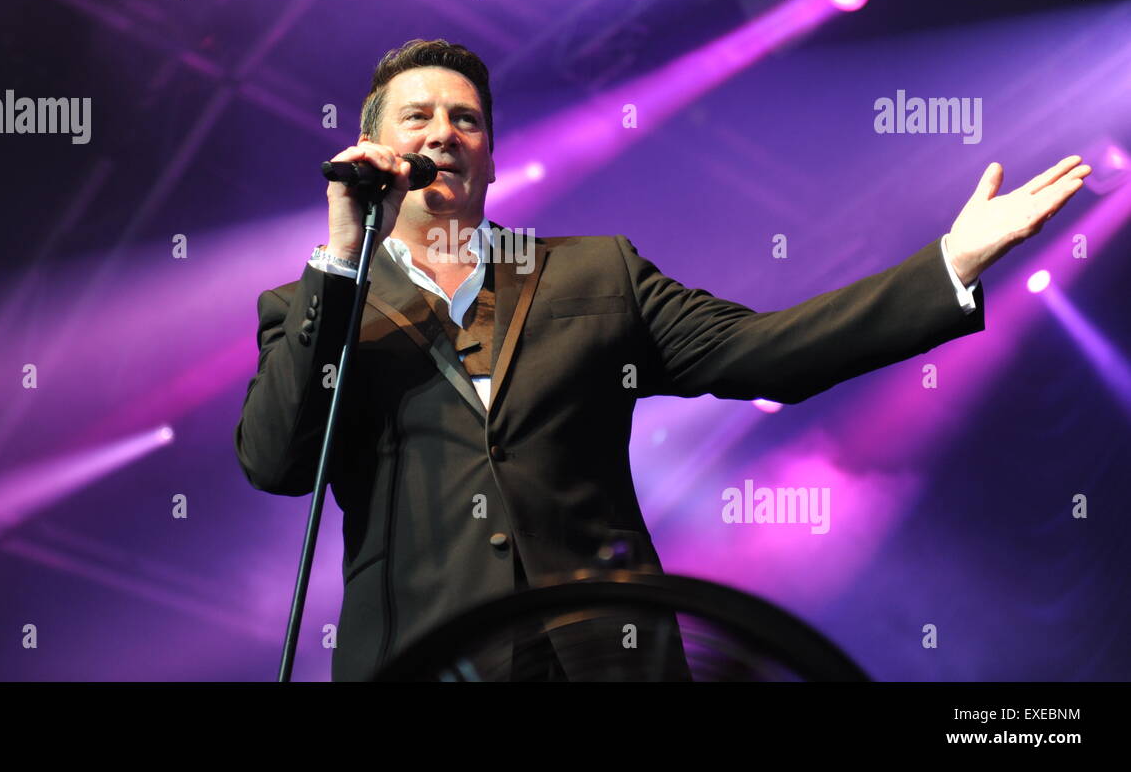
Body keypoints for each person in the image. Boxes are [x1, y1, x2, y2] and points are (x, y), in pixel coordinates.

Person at [233, 38, 1090, 681]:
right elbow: (276, 459)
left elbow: (767, 353)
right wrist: (343, 256)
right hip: (423, 657)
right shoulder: (315, 305)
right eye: (416, 118)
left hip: (605, 654)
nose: (444, 133)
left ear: (492, 155)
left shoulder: (592, 270)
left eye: (466, 119)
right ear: (371, 150)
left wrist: (951, 263)